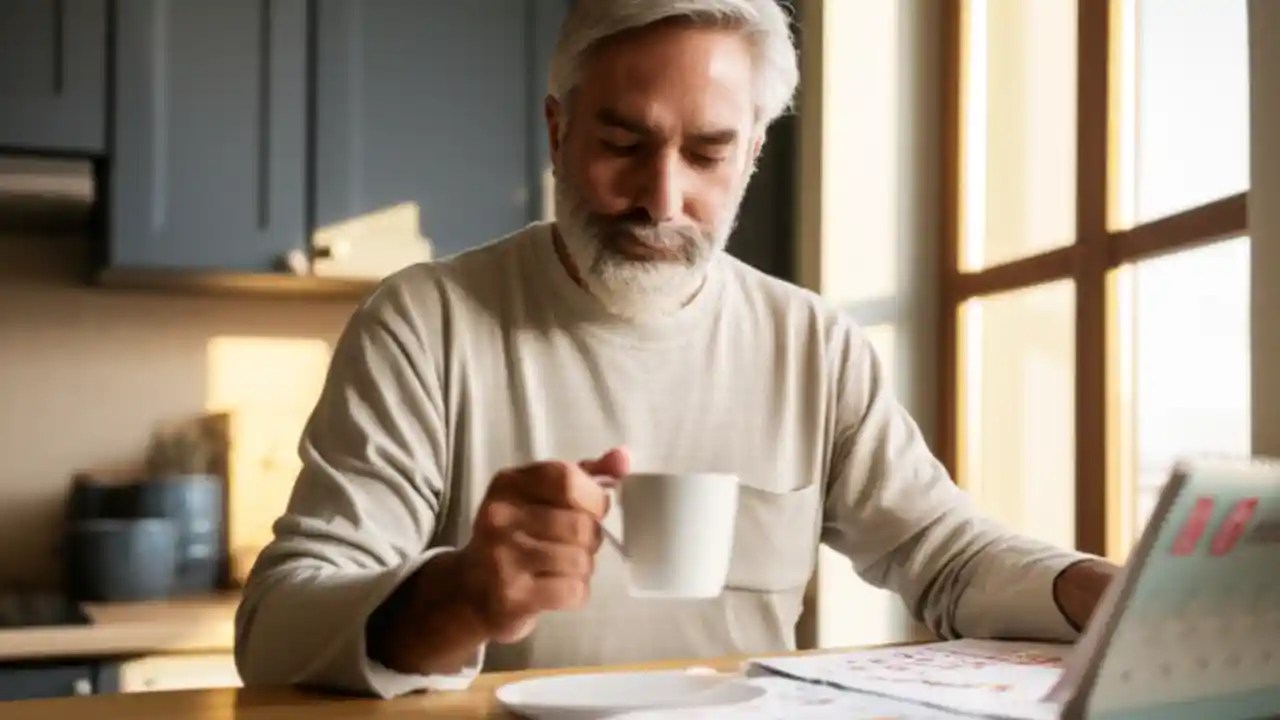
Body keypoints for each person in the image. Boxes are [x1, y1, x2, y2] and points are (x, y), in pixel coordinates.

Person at [234, 0, 1118, 699]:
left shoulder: (813, 343)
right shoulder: (427, 322)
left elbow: (947, 556)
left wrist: (1095, 589)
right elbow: (275, 629)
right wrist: (457, 595)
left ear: (754, 154)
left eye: (706, 153)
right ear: (556, 132)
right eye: (623, 143)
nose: (662, 199)